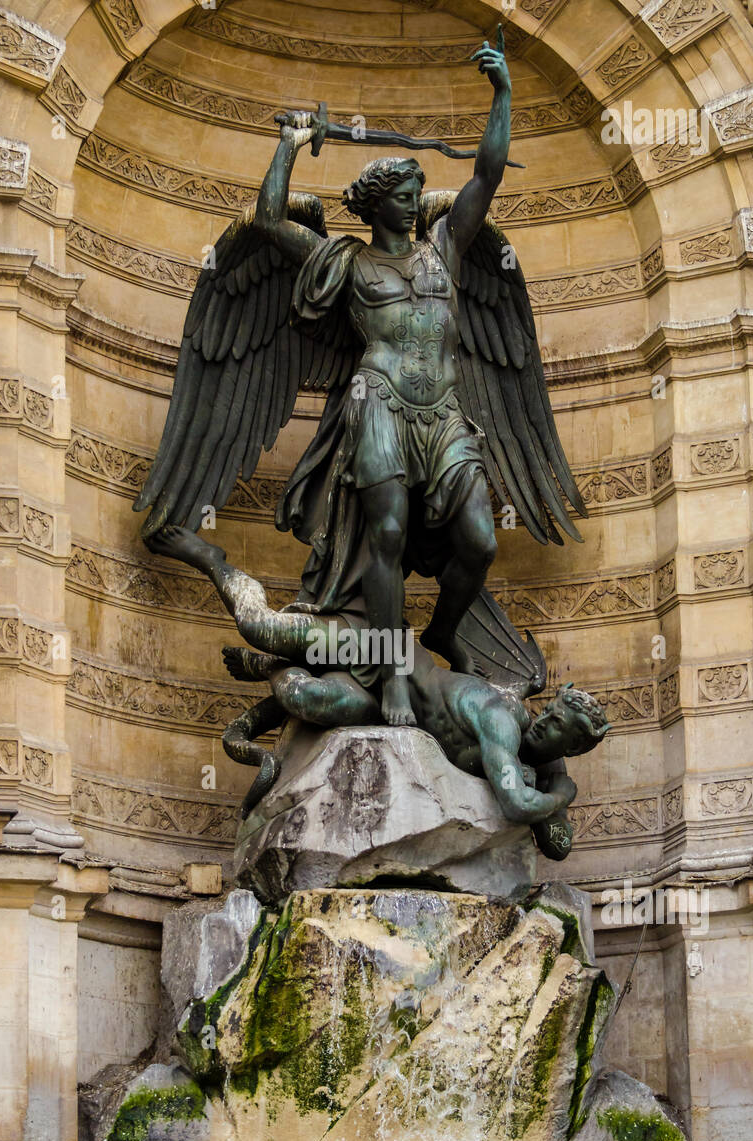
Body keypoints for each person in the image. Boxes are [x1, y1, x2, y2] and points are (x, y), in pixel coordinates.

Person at [253, 36, 513, 726]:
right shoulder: (345, 261)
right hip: (378, 402)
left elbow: (486, 175)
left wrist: (502, 95)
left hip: (443, 412)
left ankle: (440, 633)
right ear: (375, 206)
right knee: (387, 536)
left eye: (417, 193)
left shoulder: (445, 248)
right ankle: (394, 677)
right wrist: (288, 144)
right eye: (402, 195)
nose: (413, 203)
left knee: (480, 542)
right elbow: (268, 220)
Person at [148, 525, 610, 845]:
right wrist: (559, 798)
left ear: (569, 745)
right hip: (380, 651)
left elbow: (558, 846)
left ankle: (273, 668)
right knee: (258, 624)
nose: (541, 723)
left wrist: (560, 795)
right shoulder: (501, 721)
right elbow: (515, 802)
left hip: (380, 711)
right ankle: (213, 561)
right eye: (549, 713)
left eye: (553, 729)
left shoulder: (547, 769)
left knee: (300, 697)